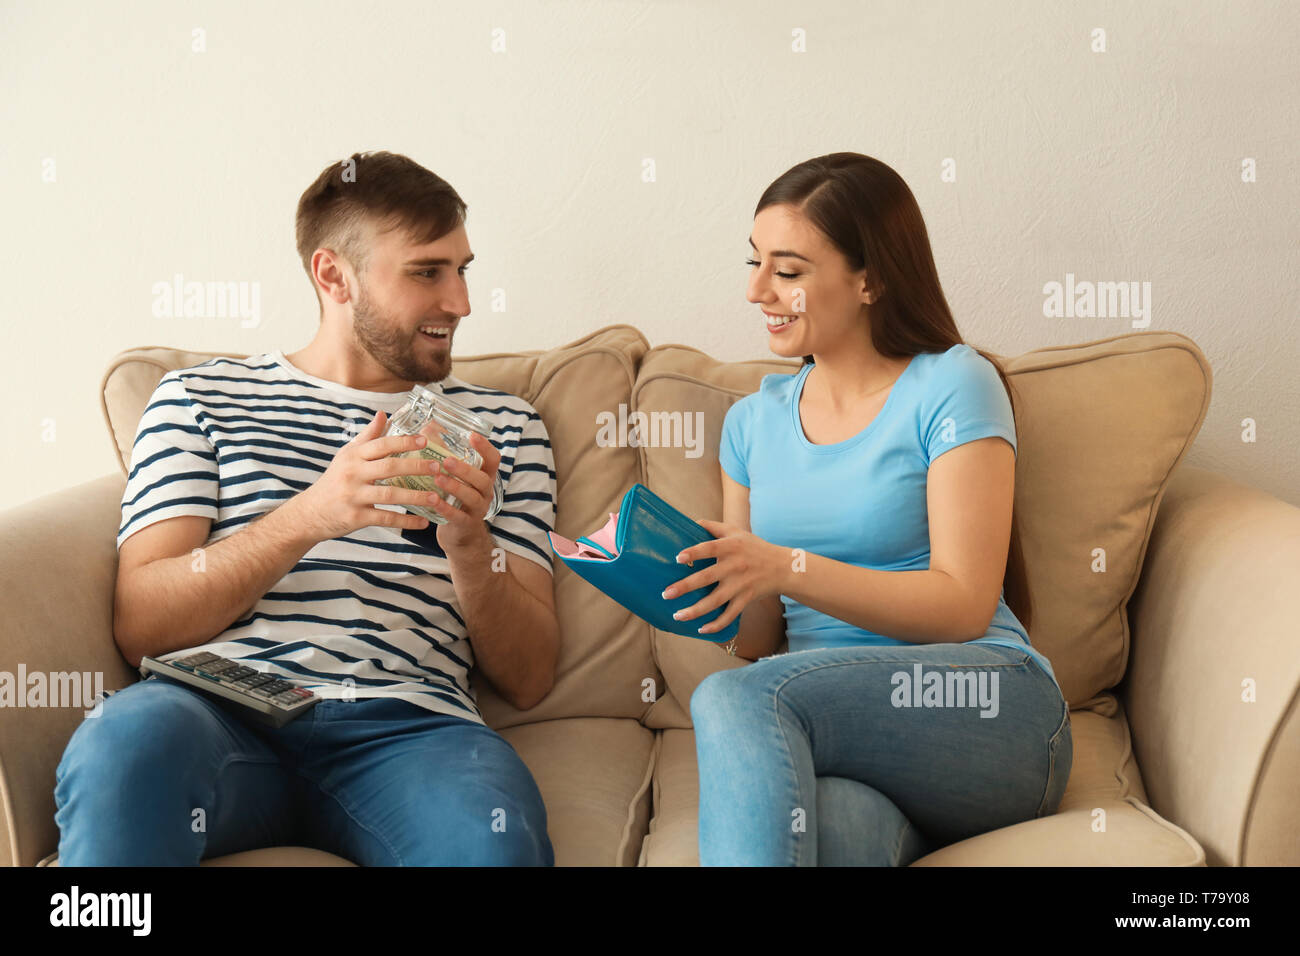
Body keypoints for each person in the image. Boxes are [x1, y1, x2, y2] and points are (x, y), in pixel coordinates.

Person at [54, 151, 558, 866]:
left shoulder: (505, 428)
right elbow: (142, 622)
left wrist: (471, 546)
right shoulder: (201, 399)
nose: (461, 302)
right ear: (333, 275)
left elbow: (531, 676)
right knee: (124, 746)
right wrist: (315, 513)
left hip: (410, 732)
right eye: (427, 272)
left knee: (491, 838)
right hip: (218, 710)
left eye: (463, 269)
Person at [668, 152, 1072, 865]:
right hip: (843, 741)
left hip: (986, 706)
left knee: (734, 698)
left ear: (870, 279)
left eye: (787, 271)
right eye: (755, 262)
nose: (757, 290)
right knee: (836, 836)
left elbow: (961, 605)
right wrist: (720, 586)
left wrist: (784, 565)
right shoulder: (752, 425)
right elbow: (763, 641)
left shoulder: (953, 384)